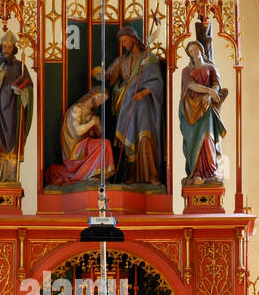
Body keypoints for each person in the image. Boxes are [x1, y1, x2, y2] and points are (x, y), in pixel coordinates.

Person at [93, 26, 165, 185]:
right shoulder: (121, 60)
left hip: (145, 104)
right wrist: (101, 74)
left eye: (125, 41)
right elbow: (111, 77)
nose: (124, 44)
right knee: (128, 137)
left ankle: (151, 175)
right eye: (122, 42)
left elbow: (157, 82)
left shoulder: (149, 58)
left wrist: (144, 92)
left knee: (145, 137)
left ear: (133, 38)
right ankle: (130, 175)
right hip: (125, 103)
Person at [0, 29, 33, 184]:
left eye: (9, 47)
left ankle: (10, 177)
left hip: (14, 113)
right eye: (4, 47)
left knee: (13, 144)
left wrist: (22, 90)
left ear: (14, 49)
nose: (6, 50)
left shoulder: (20, 67)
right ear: (0, 48)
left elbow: (29, 86)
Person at [178, 38, 228, 182]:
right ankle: (196, 173)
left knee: (207, 137)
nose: (194, 53)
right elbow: (191, 86)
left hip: (207, 107)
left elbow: (217, 84)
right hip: (190, 107)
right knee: (193, 139)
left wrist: (211, 94)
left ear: (201, 50)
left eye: (196, 49)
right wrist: (209, 91)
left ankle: (211, 171)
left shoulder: (211, 67)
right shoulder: (186, 71)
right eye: (191, 51)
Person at [47, 87, 115, 185]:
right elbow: (77, 132)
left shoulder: (91, 113)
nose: (101, 103)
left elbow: (101, 135)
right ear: (94, 95)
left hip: (85, 145)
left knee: (105, 142)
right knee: (104, 144)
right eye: (101, 99)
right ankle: (93, 175)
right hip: (75, 149)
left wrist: (98, 125)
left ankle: (96, 175)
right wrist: (92, 122)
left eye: (103, 101)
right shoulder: (77, 109)